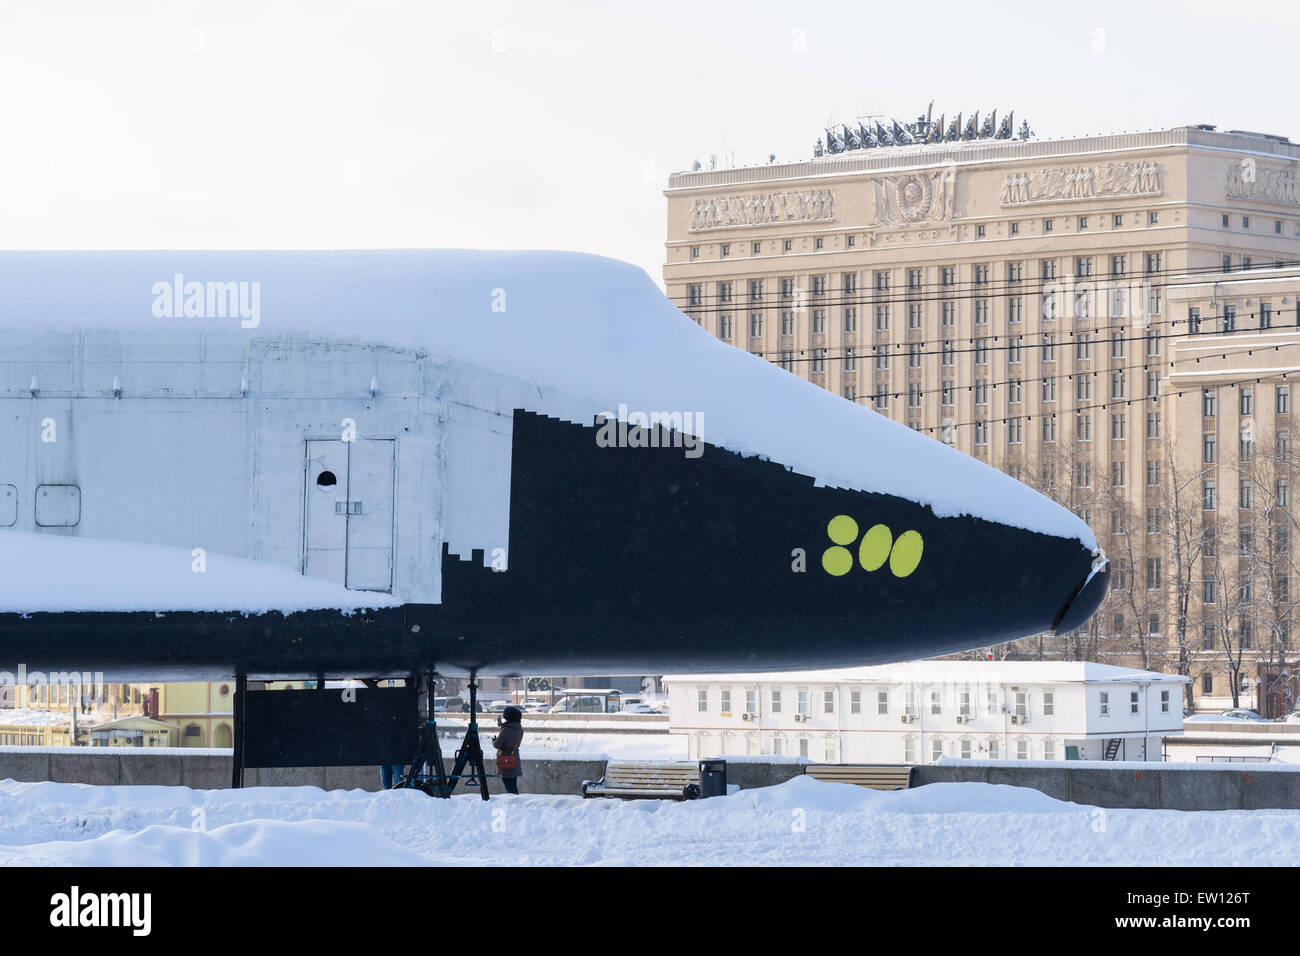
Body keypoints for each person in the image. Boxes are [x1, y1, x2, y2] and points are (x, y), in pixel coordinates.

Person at [492, 706, 524, 794]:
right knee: (513, 785)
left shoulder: (506, 730)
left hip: (505, 761)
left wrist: (495, 740)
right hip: (514, 759)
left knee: (509, 787)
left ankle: (514, 804)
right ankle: (516, 803)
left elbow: (497, 745)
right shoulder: (520, 729)